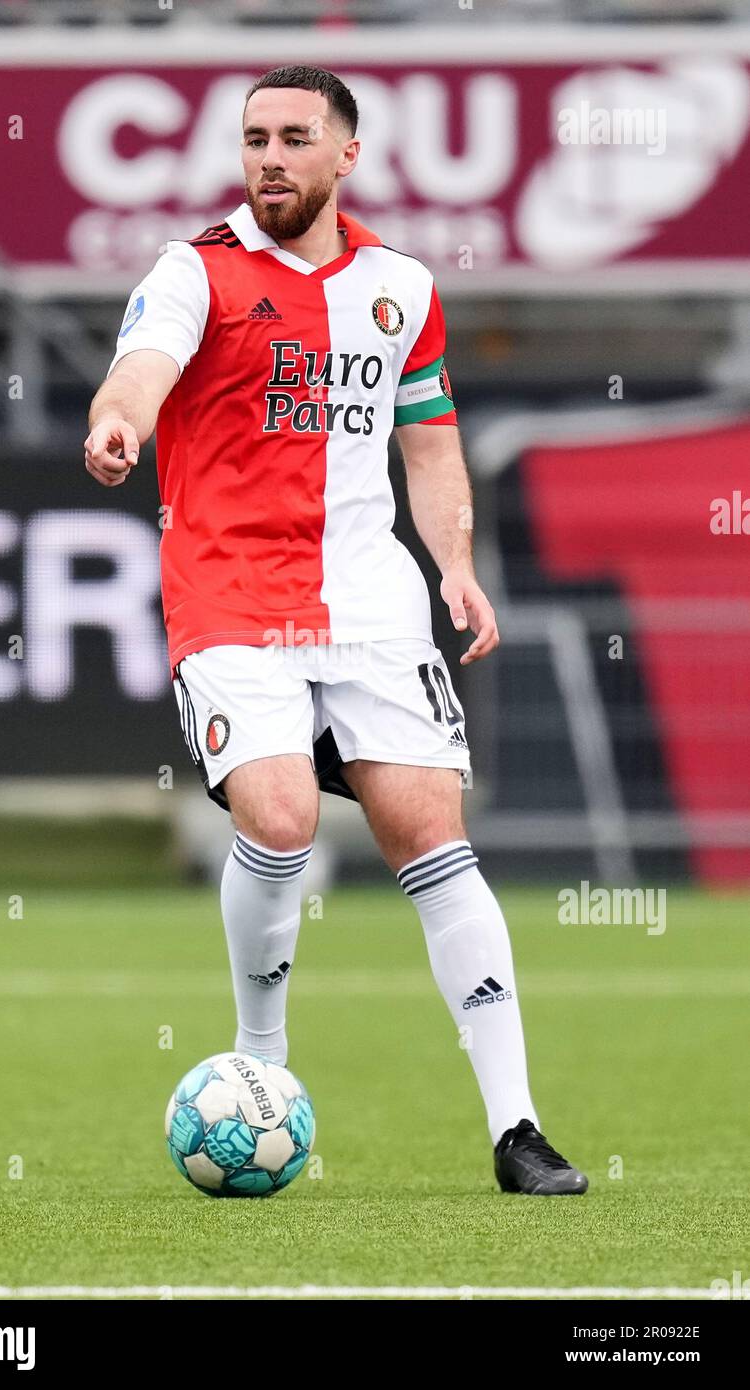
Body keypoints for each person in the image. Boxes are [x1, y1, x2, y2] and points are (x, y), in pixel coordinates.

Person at [85, 64, 587, 1196]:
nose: (267, 156)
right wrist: (118, 424)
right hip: (228, 594)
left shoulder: (401, 287)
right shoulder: (192, 271)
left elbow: (429, 441)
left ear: (342, 156)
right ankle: (262, 1066)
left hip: (368, 602)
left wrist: (454, 564)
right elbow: (139, 371)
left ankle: (516, 1128)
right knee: (280, 813)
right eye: (253, 136)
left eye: (292, 138)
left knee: (427, 827)